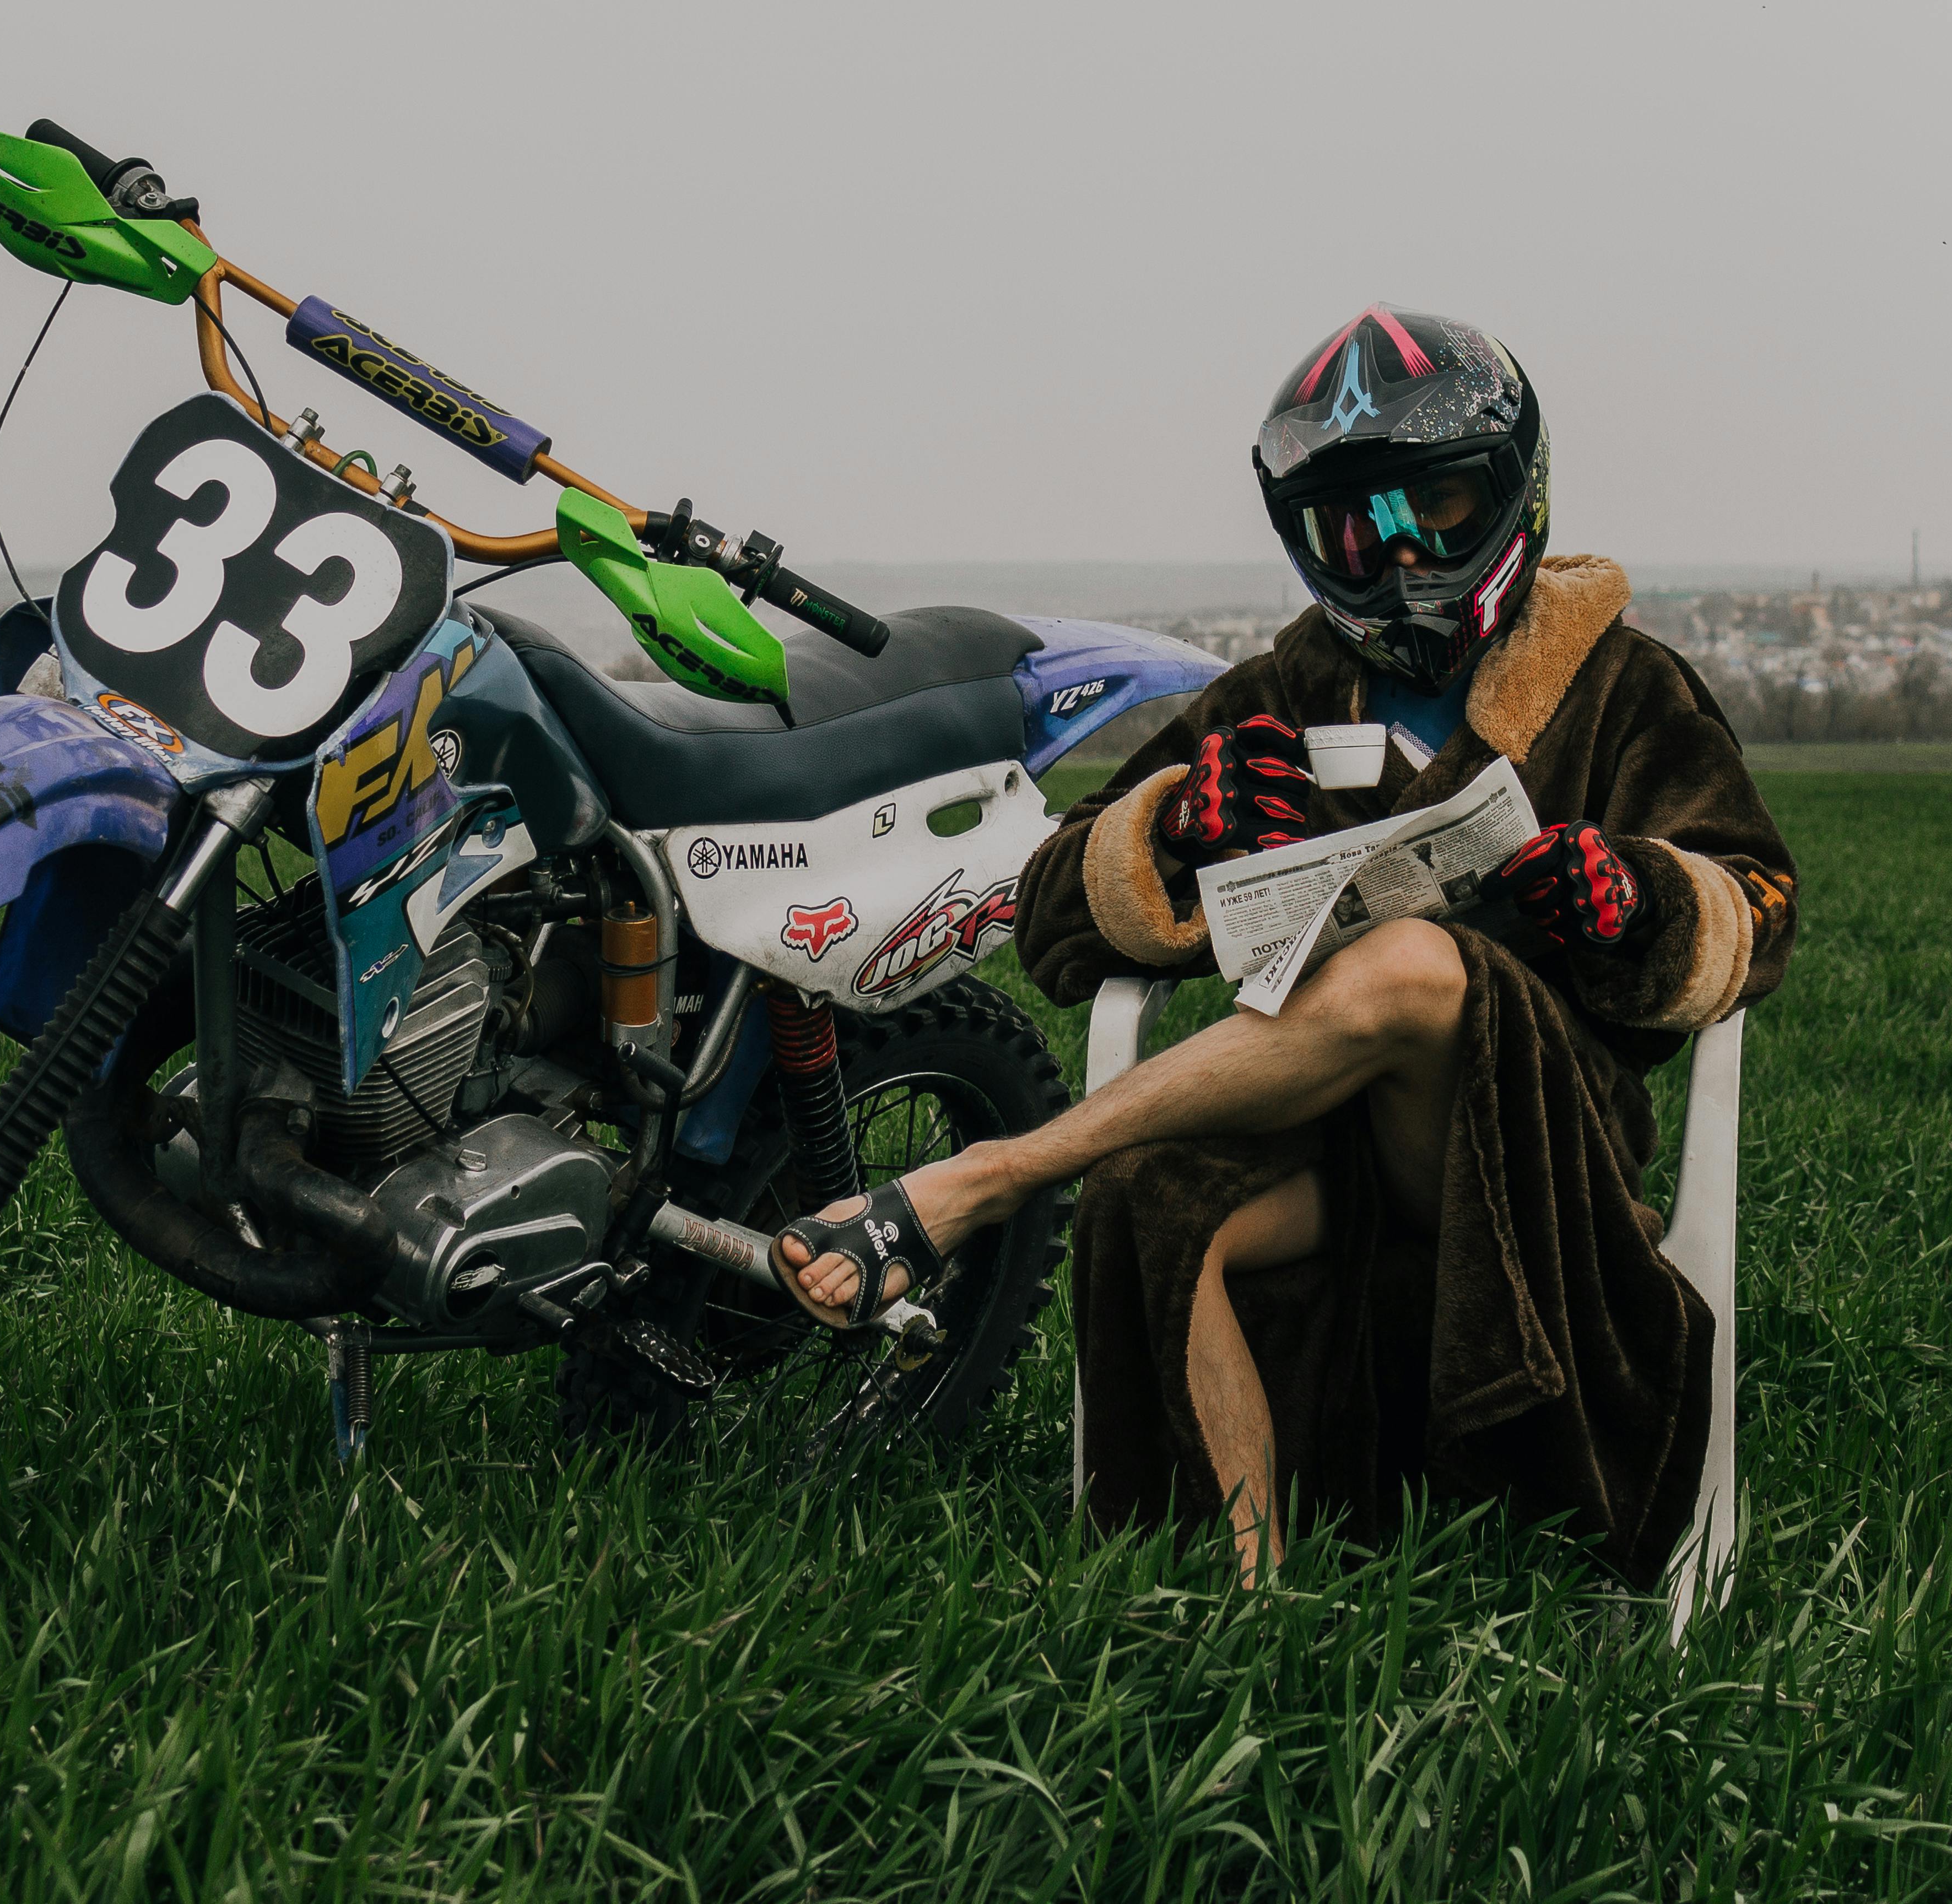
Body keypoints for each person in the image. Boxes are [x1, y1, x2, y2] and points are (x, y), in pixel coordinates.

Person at [770, 305, 1798, 1586]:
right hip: (1322, 1150)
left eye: (1438, 504)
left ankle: (992, 1176)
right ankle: (1246, 1605)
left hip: (1544, 1146)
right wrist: (1171, 833)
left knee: (1422, 968)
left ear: (1515, 489)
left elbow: (1758, 901)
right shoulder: (1274, 694)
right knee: (1156, 1196)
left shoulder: (1627, 685)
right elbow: (1053, 914)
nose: (1398, 554)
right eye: (1354, 526)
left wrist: (1640, 900)